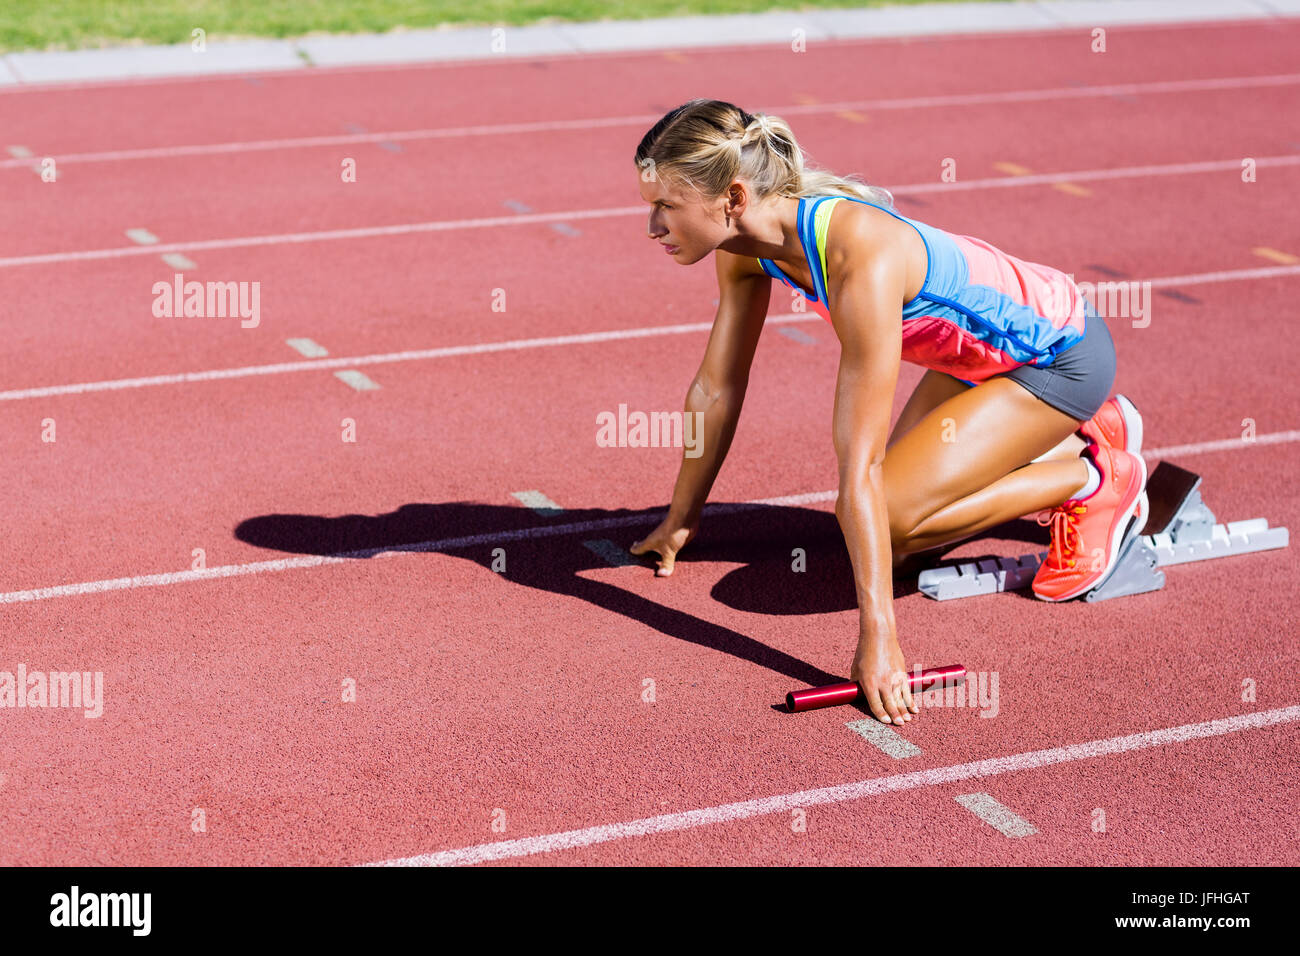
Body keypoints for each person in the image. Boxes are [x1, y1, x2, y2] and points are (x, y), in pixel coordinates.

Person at [628, 99, 1147, 727]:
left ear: (732, 197)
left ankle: (1093, 476)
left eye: (665, 207)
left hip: (1059, 359)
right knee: (883, 539)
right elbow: (717, 387)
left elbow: (860, 467)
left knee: (890, 525)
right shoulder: (744, 248)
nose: (652, 227)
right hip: (973, 364)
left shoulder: (862, 258)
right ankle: (1075, 432)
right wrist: (682, 519)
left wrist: (880, 640)